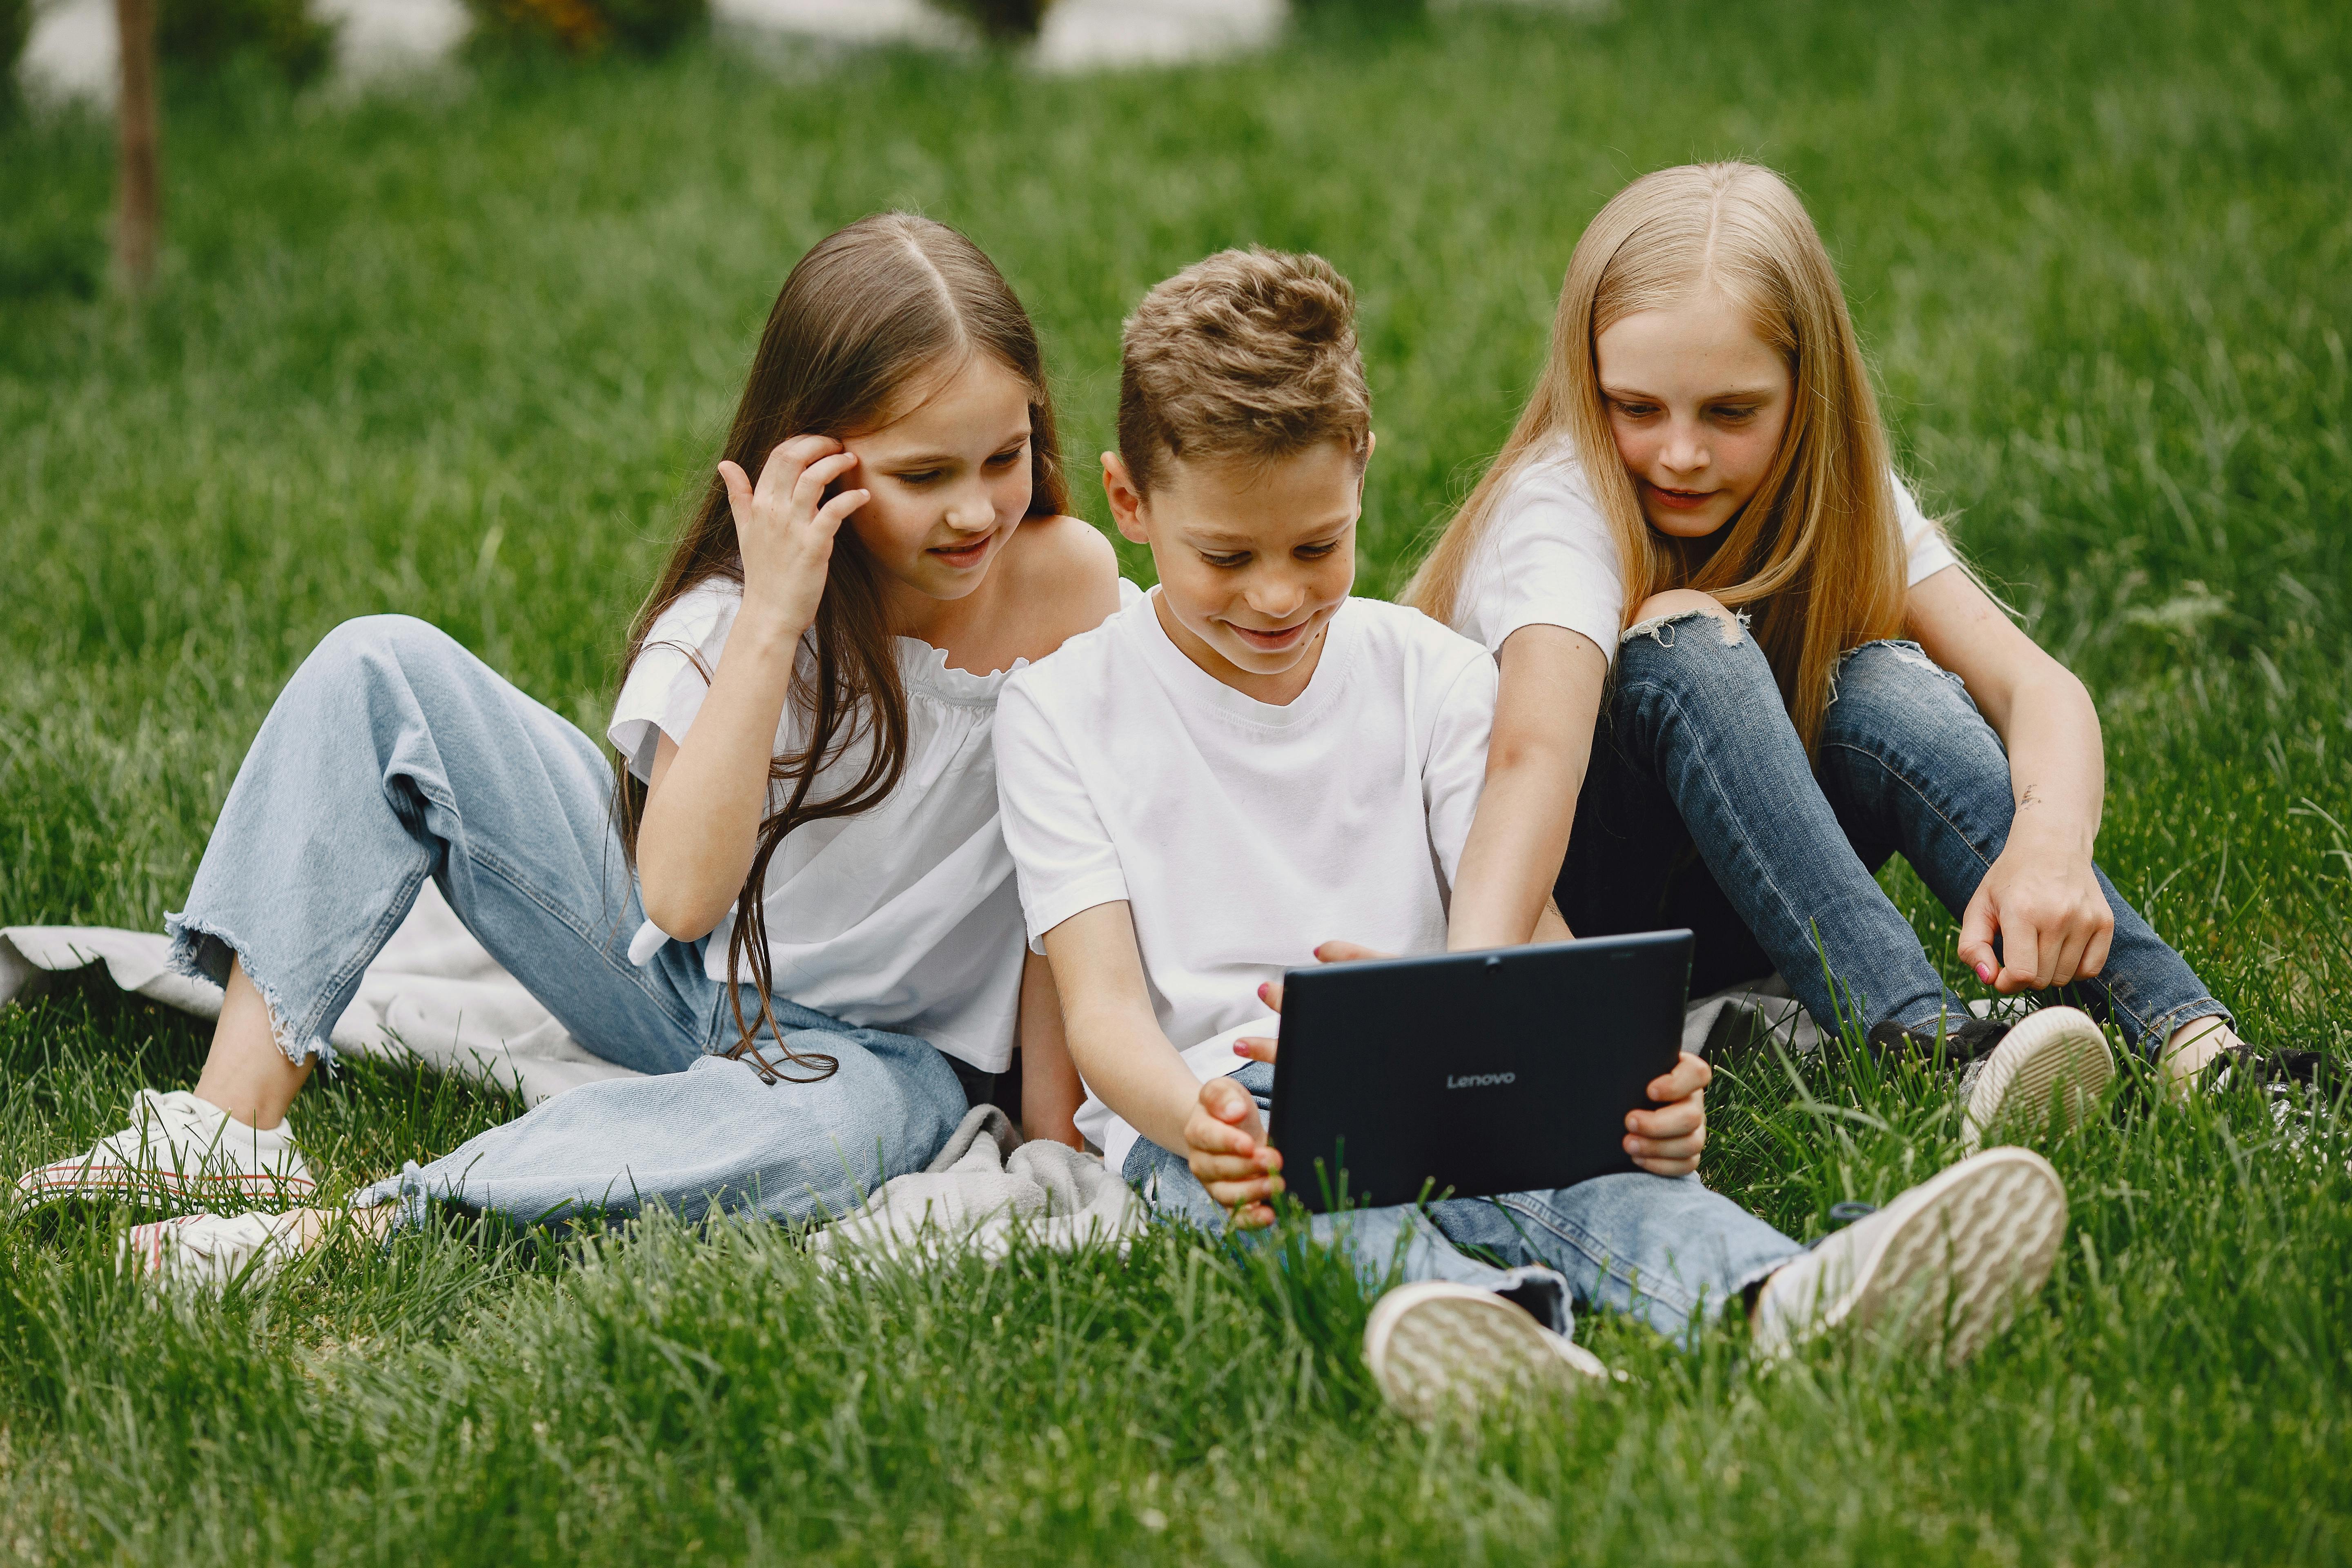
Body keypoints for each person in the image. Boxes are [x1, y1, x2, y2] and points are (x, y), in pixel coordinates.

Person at [993, 246, 2070, 1423]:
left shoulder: (1427, 675)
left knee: (1599, 1176)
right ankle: (1488, 1331)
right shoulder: (1062, 710)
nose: (1277, 596)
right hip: (1215, 1106)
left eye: (1316, 546)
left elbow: (1534, 937)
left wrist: (1620, 1074)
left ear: (1361, 467)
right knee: (1313, 1208)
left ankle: (1788, 1294)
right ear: (1130, 503)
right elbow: (1102, 1013)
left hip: (1448, 1057)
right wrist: (1195, 1125)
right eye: (1226, 557)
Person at [21, 214, 1114, 1273]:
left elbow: (1060, 878)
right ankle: (231, 1128)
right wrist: (775, 618)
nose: (977, 512)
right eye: (925, 476)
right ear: (810, 461)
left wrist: (1055, 1136)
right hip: (673, 972)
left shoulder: (1068, 584)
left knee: (820, 1140)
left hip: (875, 1061)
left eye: (1003, 457)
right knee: (379, 666)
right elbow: (677, 901)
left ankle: (367, 1225)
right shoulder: (742, 615)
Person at [1406, 160, 2257, 1136]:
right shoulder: (1559, 510)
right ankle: (1927, 1050)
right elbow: (1530, 764)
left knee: (1884, 684)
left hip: (1734, 912)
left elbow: (2038, 689)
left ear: (1807, 391)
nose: (1680, 453)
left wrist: (2051, 851)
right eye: (1635, 408)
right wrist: (1486, 999)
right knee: (1686, 637)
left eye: (1731, 412)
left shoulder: (1831, 491)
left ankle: (2200, 1052)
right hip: (1557, 918)